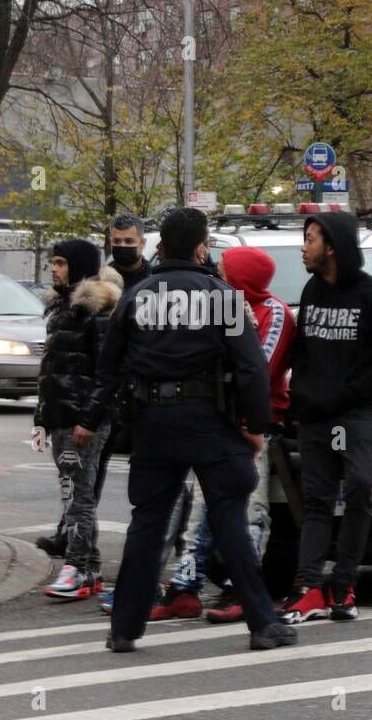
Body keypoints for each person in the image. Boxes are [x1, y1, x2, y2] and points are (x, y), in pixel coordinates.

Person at [75, 208, 296, 652]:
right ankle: (263, 624)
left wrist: (90, 419)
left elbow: (109, 368)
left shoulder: (136, 298)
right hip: (211, 422)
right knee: (229, 516)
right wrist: (255, 426)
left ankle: (124, 628)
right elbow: (252, 370)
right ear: (201, 247)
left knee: (148, 523)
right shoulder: (224, 298)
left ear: (160, 247)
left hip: (153, 423)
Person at [152, 245, 297, 623]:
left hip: (253, 424)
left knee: (251, 507)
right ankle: (186, 588)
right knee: (202, 507)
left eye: (226, 270)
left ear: (244, 277)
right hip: (217, 420)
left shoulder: (275, 313)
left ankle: (239, 588)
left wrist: (247, 422)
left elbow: (259, 368)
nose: (219, 274)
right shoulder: (220, 307)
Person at [280, 211, 372, 625]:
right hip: (316, 417)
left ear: (332, 246)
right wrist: (301, 397)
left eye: (310, 239)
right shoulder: (313, 291)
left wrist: (339, 397)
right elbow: (304, 353)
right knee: (315, 501)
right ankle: (309, 587)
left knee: (358, 491)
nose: (304, 246)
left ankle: (344, 585)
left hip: (360, 413)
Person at [35, 213, 151, 561]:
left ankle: (86, 560)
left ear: (143, 243)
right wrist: (44, 415)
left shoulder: (143, 284)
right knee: (82, 483)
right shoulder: (73, 301)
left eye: (130, 242)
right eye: (118, 242)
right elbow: (56, 367)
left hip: (127, 397)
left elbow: (105, 366)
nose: (123, 247)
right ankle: (73, 542)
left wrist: (90, 415)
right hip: (86, 406)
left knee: (137, 474)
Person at [31, 240, 123, 599]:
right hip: (61, 416)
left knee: (79, 496)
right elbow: (50, 371)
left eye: (60, 263)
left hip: (82, 421)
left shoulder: (96, 311)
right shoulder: (62, 308)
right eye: (53, 262)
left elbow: (106, 374)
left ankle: (77, 566)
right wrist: (42, 417)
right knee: (73, 493)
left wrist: (88, 419)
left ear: (79, 266)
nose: (54, 269)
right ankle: (91, 568)